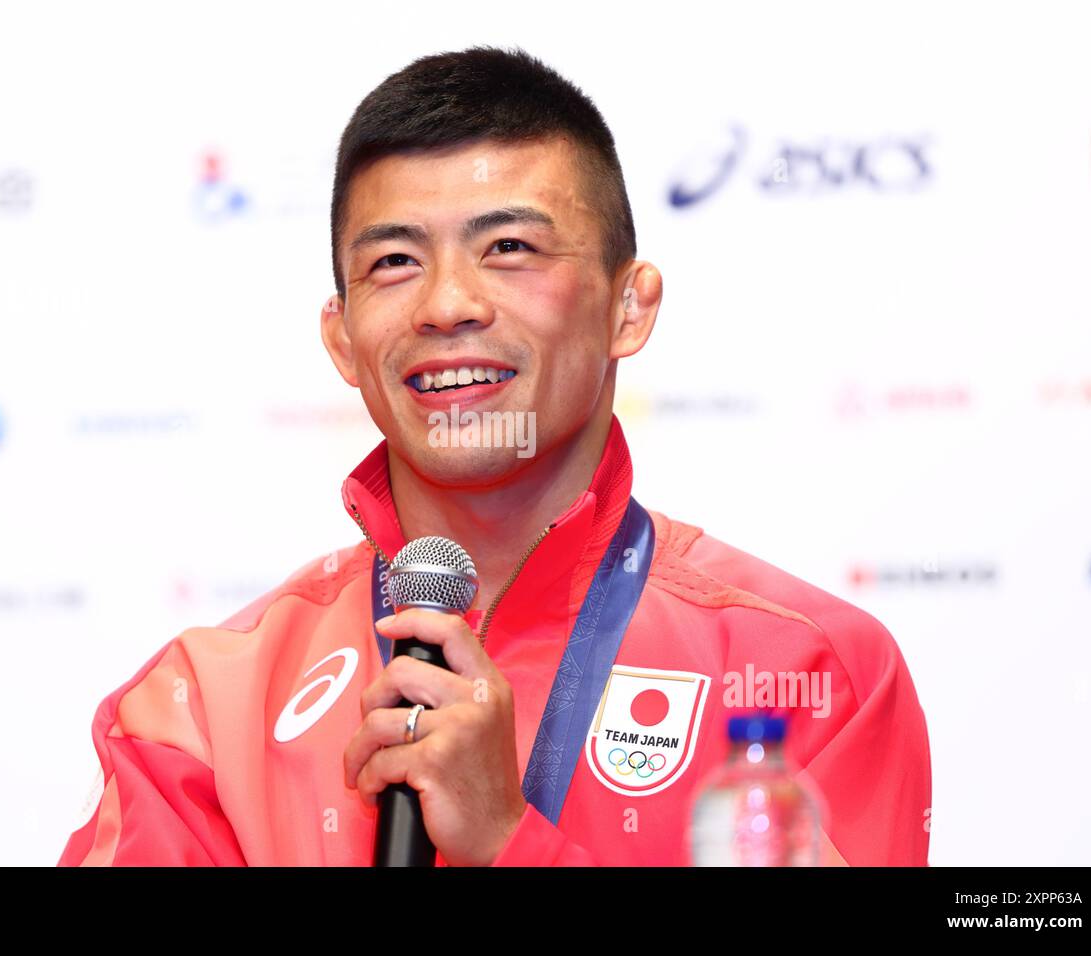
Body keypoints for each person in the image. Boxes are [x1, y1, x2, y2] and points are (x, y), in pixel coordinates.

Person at [57, 45, 931, 867]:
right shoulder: (204, 707)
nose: (446, 304)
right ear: (343, 339)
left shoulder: (806, 673)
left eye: (507, 248)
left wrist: (509, 841)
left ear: (630, 306)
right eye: (394, 261)